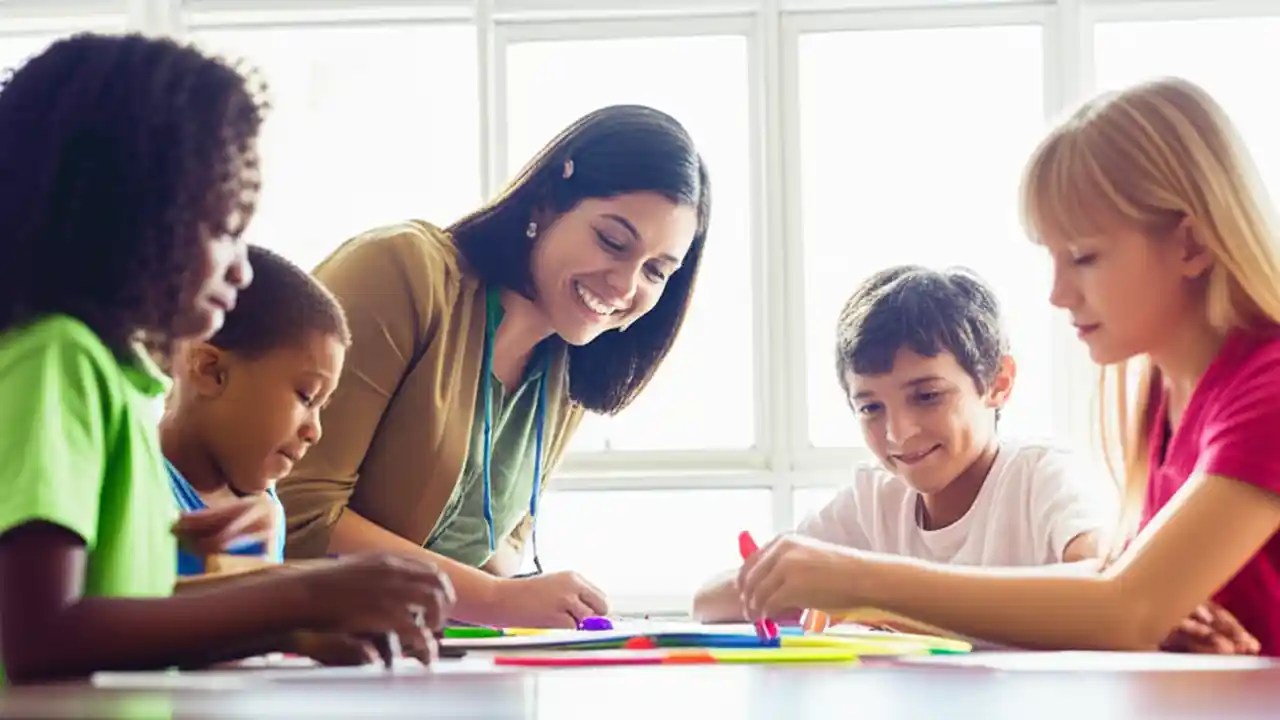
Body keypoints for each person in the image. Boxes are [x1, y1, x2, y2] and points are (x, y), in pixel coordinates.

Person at [737, 77, 1278, 656]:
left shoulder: (1266, 389)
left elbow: (1128, 609)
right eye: (1051, 257)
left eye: (1084, 257)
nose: (1058, 293)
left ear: (1191, 245)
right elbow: (1117, 586)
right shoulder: (1168, 397)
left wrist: (861, 581)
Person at [0, 34, 452, 683]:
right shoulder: (55, 360)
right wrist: (304, 594)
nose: (241, 268)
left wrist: (286, 621)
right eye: (224, 228)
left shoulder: (113, 379)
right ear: (121, 212)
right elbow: (41, 636)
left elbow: (116, 613)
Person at [277, 105, 712, 628]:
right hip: (301, 653)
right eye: (613, 242)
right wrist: (495, 599)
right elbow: (297, 513)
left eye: (656, 271)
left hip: (416, 657)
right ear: (549, 200)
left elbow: (489, 548)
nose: (624, 287)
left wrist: (552, 602)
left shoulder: (565, 365)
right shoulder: (403, 270)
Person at [693, 266, 1114, 622]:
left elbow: (1104, 582)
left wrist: (867, 585)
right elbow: (707, 602)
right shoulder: (875, 498)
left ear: (998, 383)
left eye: (927, 396)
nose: (898, 433)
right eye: (871, 408)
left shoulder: (1042, 476)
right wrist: (794, 582)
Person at [162, 245, 349, 576]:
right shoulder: (145, 489)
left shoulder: (264, 508)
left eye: (322, 407)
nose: (315, 430)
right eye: (307, 396)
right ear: (211, 372)